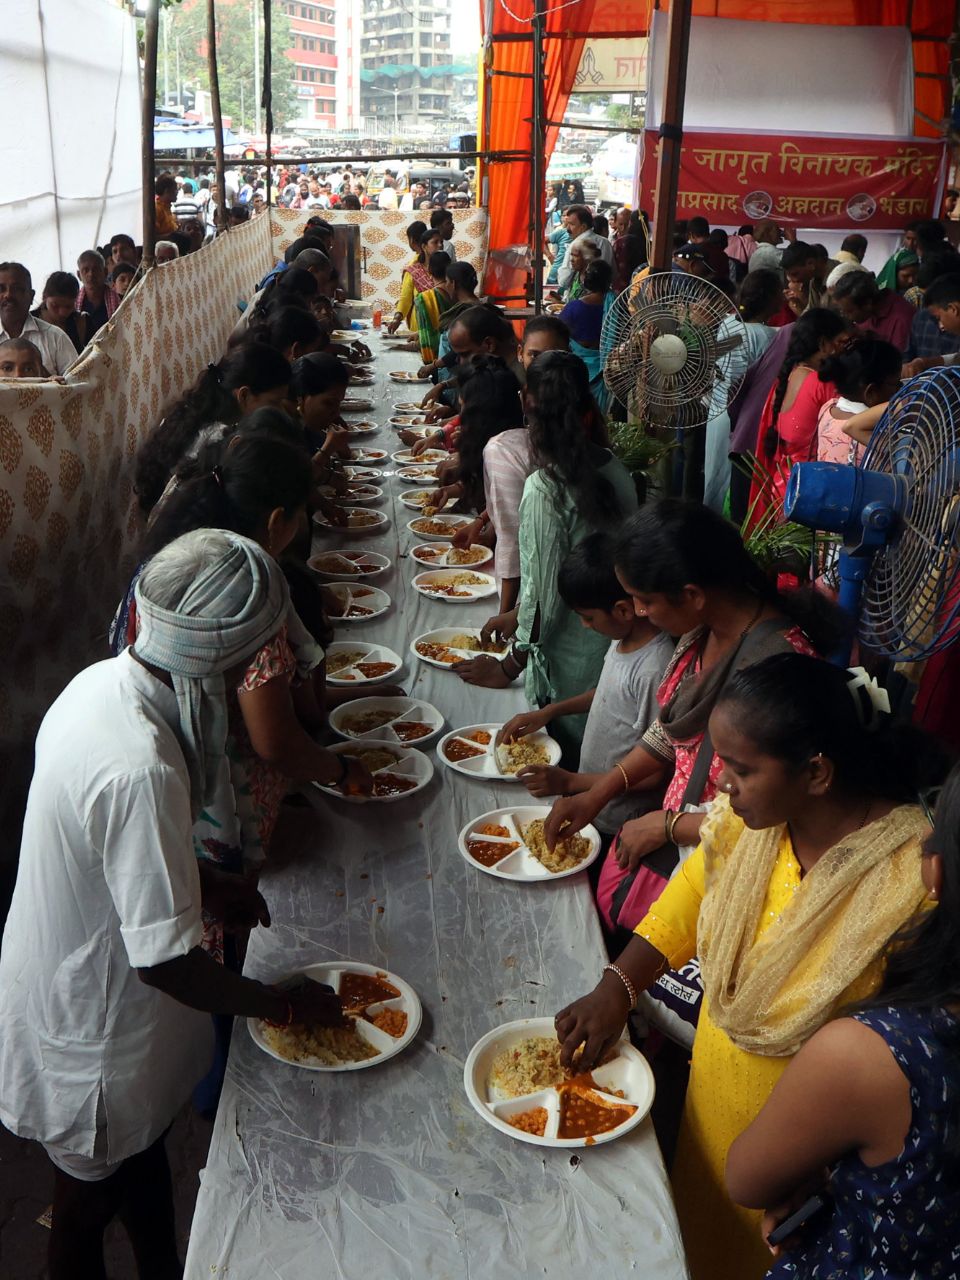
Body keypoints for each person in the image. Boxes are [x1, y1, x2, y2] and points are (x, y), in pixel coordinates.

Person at [0, 529, 351, 1280]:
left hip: (100, 990)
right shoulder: (142, 766)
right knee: (82, 1213)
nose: (249, 693)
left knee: (141, 1161)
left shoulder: (106, 684)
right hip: (95, 1026)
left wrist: (208, 885)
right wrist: (278, 1005)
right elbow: (162, 962)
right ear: (214, 667)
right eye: (247, 671)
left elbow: (118, 859)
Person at [555, 651, 943, 1280]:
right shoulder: (747, 827)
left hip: (814, 1166)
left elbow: (908, 1061)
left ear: (815, 772)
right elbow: (688, 903)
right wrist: (617, 985)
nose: (722, 786)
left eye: (739, 769)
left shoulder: (909, 882)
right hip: (714, 1103)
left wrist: (835, 1168)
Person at [726, 756, 960, 1276]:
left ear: (935, 873)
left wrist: (825, 1169)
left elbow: (746, 1180)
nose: (724, 783)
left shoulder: (874, 1055)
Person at [456, 351, 637, 756]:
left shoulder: (545, 489)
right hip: (613, 649)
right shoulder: (616, 470)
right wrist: (517, 614)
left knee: (562, 759)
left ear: (525, 402)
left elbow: (545, 598)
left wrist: (508, 666)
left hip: (571, 666)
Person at [499, 533, 674, 847]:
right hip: (589, 801)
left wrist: (570, 780)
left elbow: (652, 772)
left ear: (623, 610)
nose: (585, 626)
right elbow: (606, 695)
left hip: (618, 820)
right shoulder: (624, 640)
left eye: (588, 618)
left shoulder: (653, 669)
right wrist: (550, 711)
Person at [134, 343, 292, 515]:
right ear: (244, 395)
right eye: (274, 402)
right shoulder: (222, 441)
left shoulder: (192, 413)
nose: (280, 411)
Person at [746, 308, 848, 523]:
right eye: (840, 343)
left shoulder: (788, 379)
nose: (844, 351)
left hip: (781, 491)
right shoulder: (822, 384)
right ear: (823, 344)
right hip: (808, 496)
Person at [704, 269, 783, 513]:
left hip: (717, 412)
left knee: (714, 480)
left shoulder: (728, 323)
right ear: (771, 299)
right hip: (742, 420)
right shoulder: (769, 337)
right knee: (733, 485)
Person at [815, 335, 901, 466]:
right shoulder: (873, 435)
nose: (901, 390)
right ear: (871, 392)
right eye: (896, 384)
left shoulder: (828, 408)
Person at [0, 262, 76, 375]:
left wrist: (49, 381)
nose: (8, 295)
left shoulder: (56, 338)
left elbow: (77, 386)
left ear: (31, 296)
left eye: (17, 289)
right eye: (1, 289)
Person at [559, 258, 614, 405]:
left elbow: (558, 333)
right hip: (608, 371)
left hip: (578, 371)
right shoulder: (617, 305)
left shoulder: (574, 308)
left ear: (586, 280)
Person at [830, 270, 915, 352]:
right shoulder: (866, 314)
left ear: (867, 304)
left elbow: (900, 362)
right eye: (842, 311)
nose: (845, 315)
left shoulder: (902, 320)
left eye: (849, 311)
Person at [387, 223, 440, 334]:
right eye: (435, 243)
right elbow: (405, 299)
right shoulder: (413, 271)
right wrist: (397, 318)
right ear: (424, 246)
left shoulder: (446, 270)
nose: (440, 246)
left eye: (441, 243)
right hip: (420, 327)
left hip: (441, 325)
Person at [557, 204, 613, 290]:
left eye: (571, 224)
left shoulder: (575, 246)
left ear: (583, 226)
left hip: (580, 297)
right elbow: (613, 275)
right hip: (602, 298)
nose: (568, 229)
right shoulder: (606, 243)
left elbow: (563, 281)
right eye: (567, 224)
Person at [32, 271, 89, 354]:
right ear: (44, 297)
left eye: (68, 306)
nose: (62, 312)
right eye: (55, 306)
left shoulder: (82, 322)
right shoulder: (28, 321)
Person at [413, 250, 453, 364]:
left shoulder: (423, 299)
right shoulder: (456, 292)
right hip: (456, 354)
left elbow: (426, 334)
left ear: (429, 270)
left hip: (434, 358)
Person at [76, 250, 121, 336]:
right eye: (85, 270)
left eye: (96, 269)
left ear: (105, 272)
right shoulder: (73, 304)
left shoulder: (119, 301)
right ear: (79, 275)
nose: (91, 274)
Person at [780, 243, 828, 313]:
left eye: (795, 274)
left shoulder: (839, 277)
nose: (793, 280)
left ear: (810, 263)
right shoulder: (814, 280)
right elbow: (811, 313)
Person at [154, 174, 179, 238]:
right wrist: (173, 236)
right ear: (167, 191)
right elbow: (152, 237)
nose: (177, 192)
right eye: (175, 189)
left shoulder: (167, 208)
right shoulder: (157, 209)